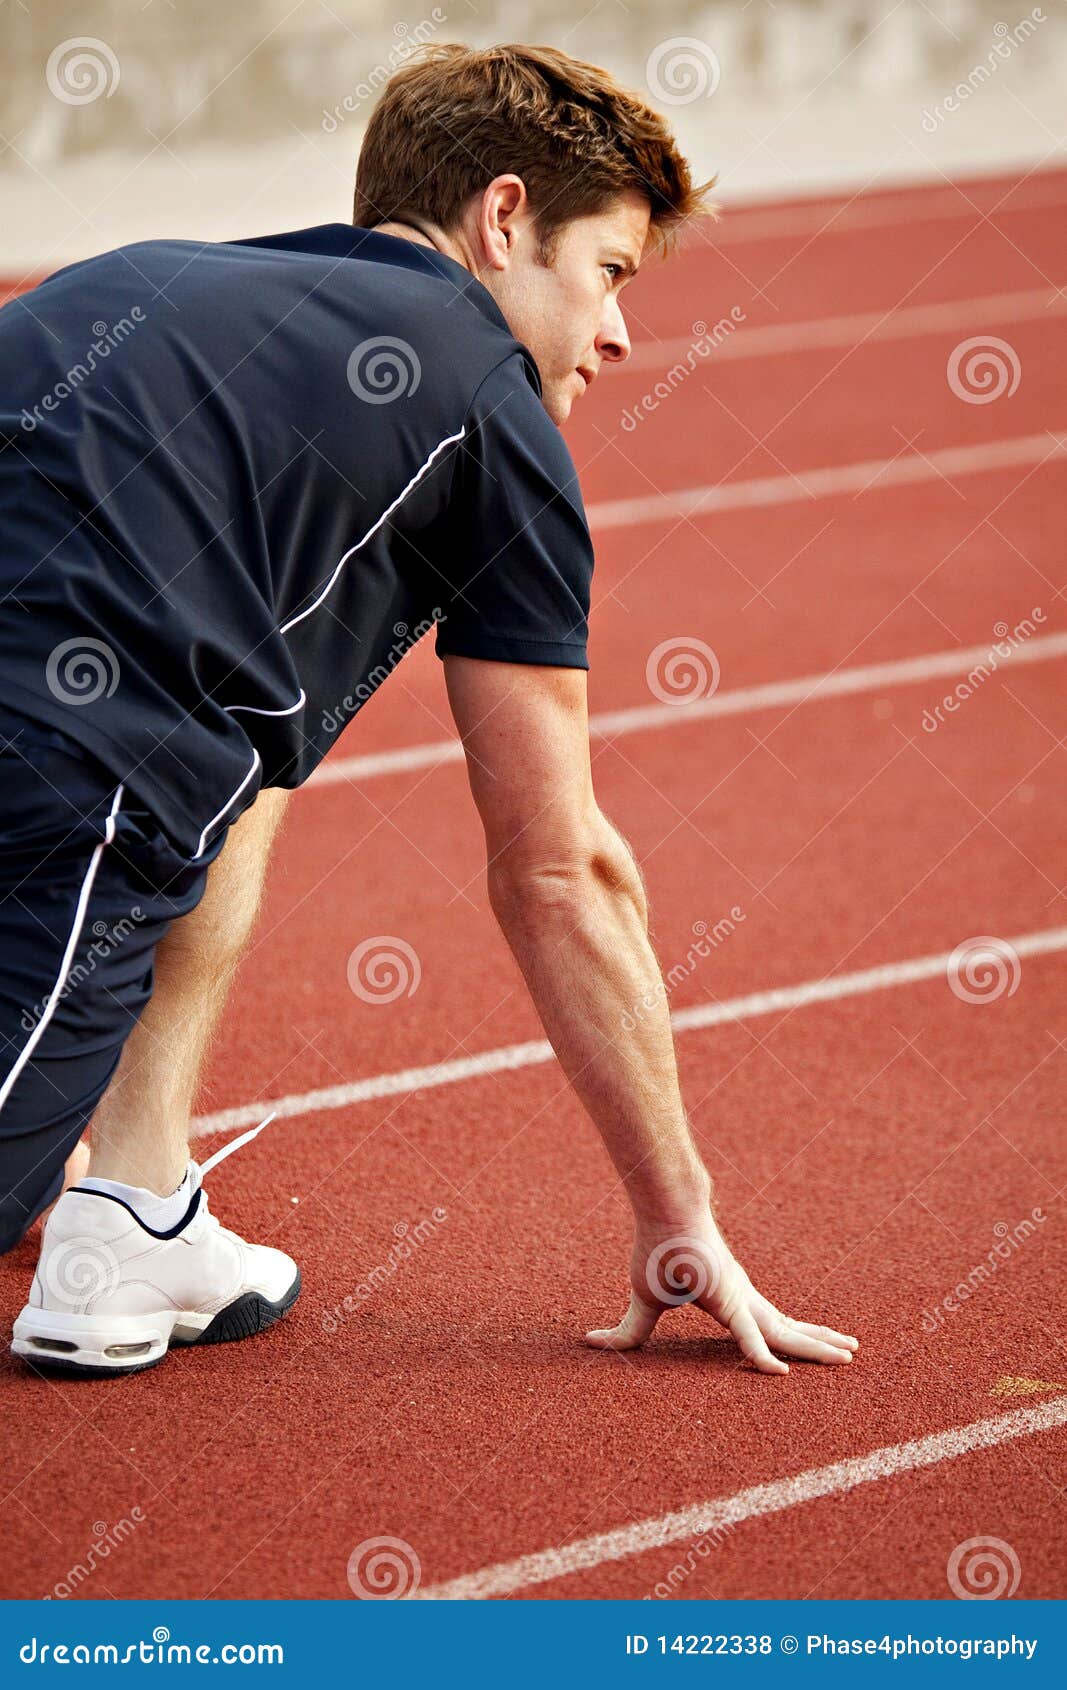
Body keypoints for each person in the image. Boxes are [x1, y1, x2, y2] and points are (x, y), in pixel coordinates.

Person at [0, 42, 858, 1376]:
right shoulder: (488, 407)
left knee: (249, 737)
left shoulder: (136, 283)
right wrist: (674, 1207)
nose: (622, 332)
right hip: (62, 788)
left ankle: (136, 1204)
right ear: (504, 219)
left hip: (85, 742)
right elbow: (559, 870)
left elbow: (246, 736)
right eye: (610, 273)